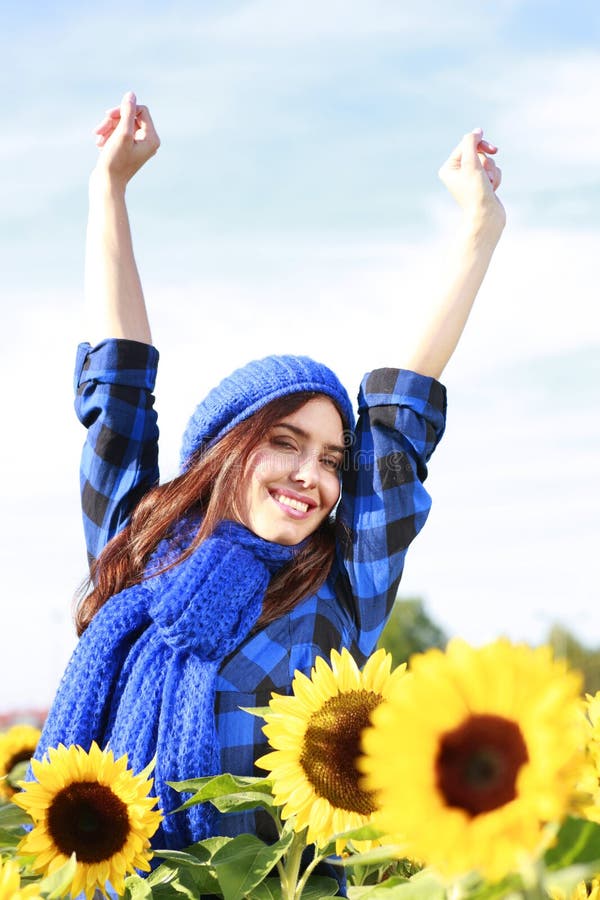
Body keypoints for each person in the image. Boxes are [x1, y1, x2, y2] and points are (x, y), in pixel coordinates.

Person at [34, 92, 505, 853]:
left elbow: (397, 415)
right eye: (285, 442)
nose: (310, 475)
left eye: (330, 459)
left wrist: (477, 235)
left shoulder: (341, 589)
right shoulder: (141, 547)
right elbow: (115, 390)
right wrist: (109, 190)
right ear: (227, 450)